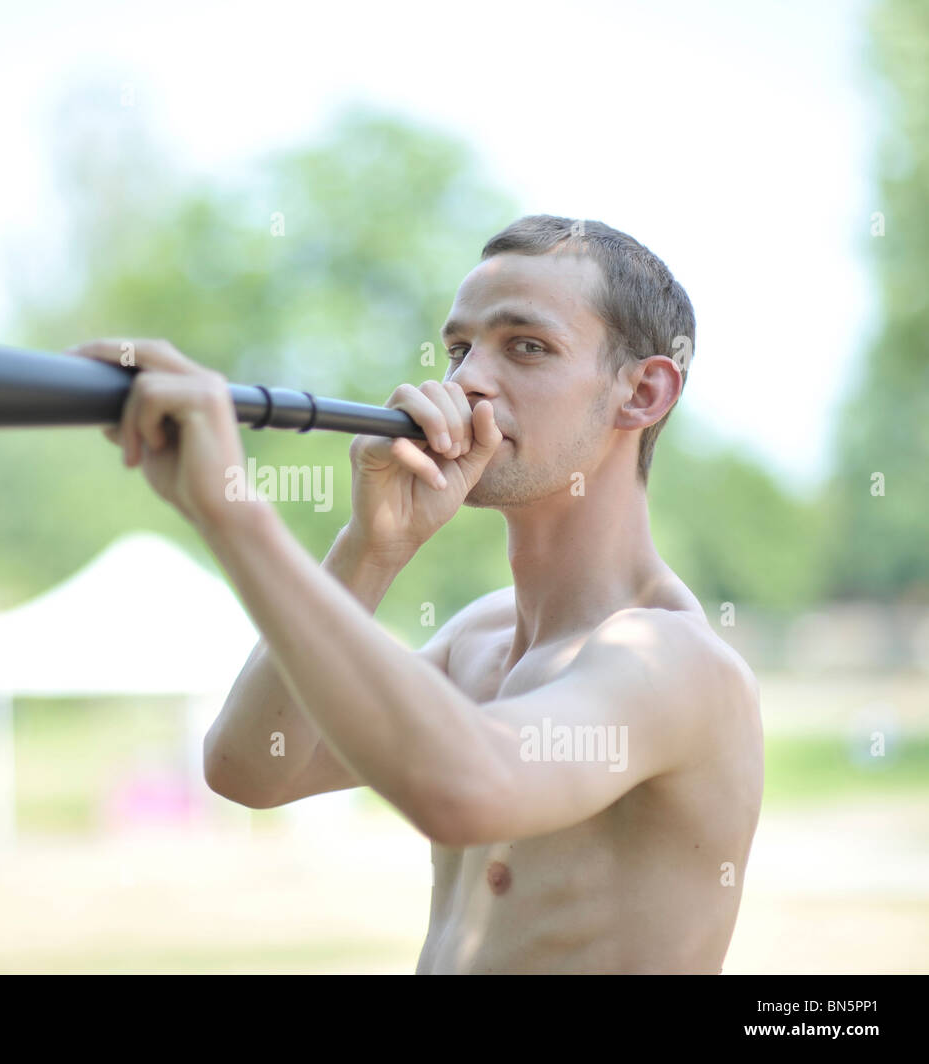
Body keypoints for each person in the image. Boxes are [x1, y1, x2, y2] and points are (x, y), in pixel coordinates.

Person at [75, 214, 763, 974]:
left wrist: (232, 514)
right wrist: (371, 548)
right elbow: (248, 767)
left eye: (526, 347)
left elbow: (465, 789)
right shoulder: (479, 639)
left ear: (644, 392)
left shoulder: (671, 660)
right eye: (460, 348)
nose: (465, 381)